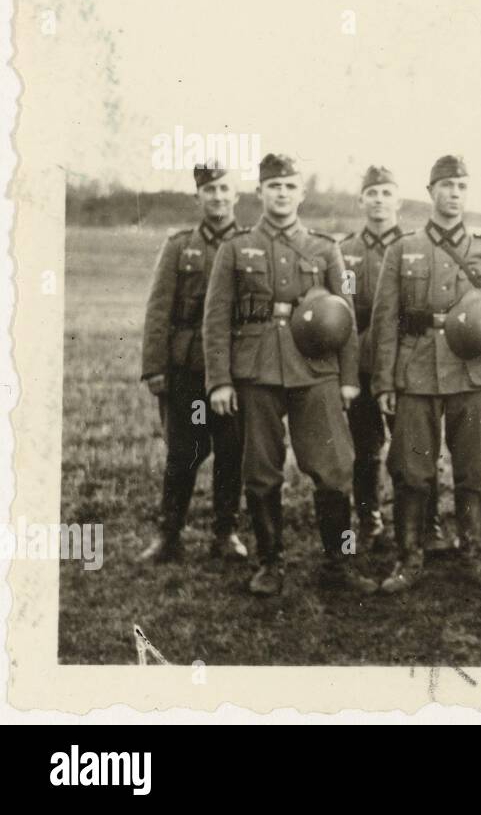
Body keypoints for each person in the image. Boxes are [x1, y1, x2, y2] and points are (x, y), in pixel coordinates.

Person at [204, 153, 375, 597]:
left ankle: (338, 563)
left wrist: (349, 378)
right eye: (273, 186)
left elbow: (348, 316)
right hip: (256, 371)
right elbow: (216, 318)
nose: (281, 193)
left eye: (289, 186)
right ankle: (269, 562)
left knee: (335, 468)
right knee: (261, 471)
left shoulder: (325, 248)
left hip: (316, 370)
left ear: (301, 193)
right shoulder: (235, 248)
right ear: (260, 192)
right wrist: (220, 380)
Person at [371, 154, 481, 593]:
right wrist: (383, 380)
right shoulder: (403, 249)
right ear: (430, 192)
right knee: (412, 471)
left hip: (473, 375)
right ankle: (410, 557)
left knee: (472, 470)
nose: (454, 194)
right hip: (415, 372)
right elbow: (385, 321)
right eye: (446, 186)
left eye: (461, 187)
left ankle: (471, 553)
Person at [139, 161, 247, 563]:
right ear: (197, 197)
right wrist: (154, 367)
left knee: (232, 449)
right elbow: (158, 309)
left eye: (224, 189)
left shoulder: (249, 245)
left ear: (236, 195)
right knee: (184, 449)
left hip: (236, 369)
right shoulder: (180, 246)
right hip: (188, 368)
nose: (218, 197)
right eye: (210, 190)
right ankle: (169, 534)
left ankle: (226, 533)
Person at [337, 165, 404, 552]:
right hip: (360, 362)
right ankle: (369, 518)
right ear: (361, 200)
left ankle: (421, 522)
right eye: (372, 193)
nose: (379, 200)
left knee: (412, 445)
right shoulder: (344, 251)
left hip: (403, 362)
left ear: (398, 199)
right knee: (365, 446)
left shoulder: (414, 246)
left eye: (386, 192)